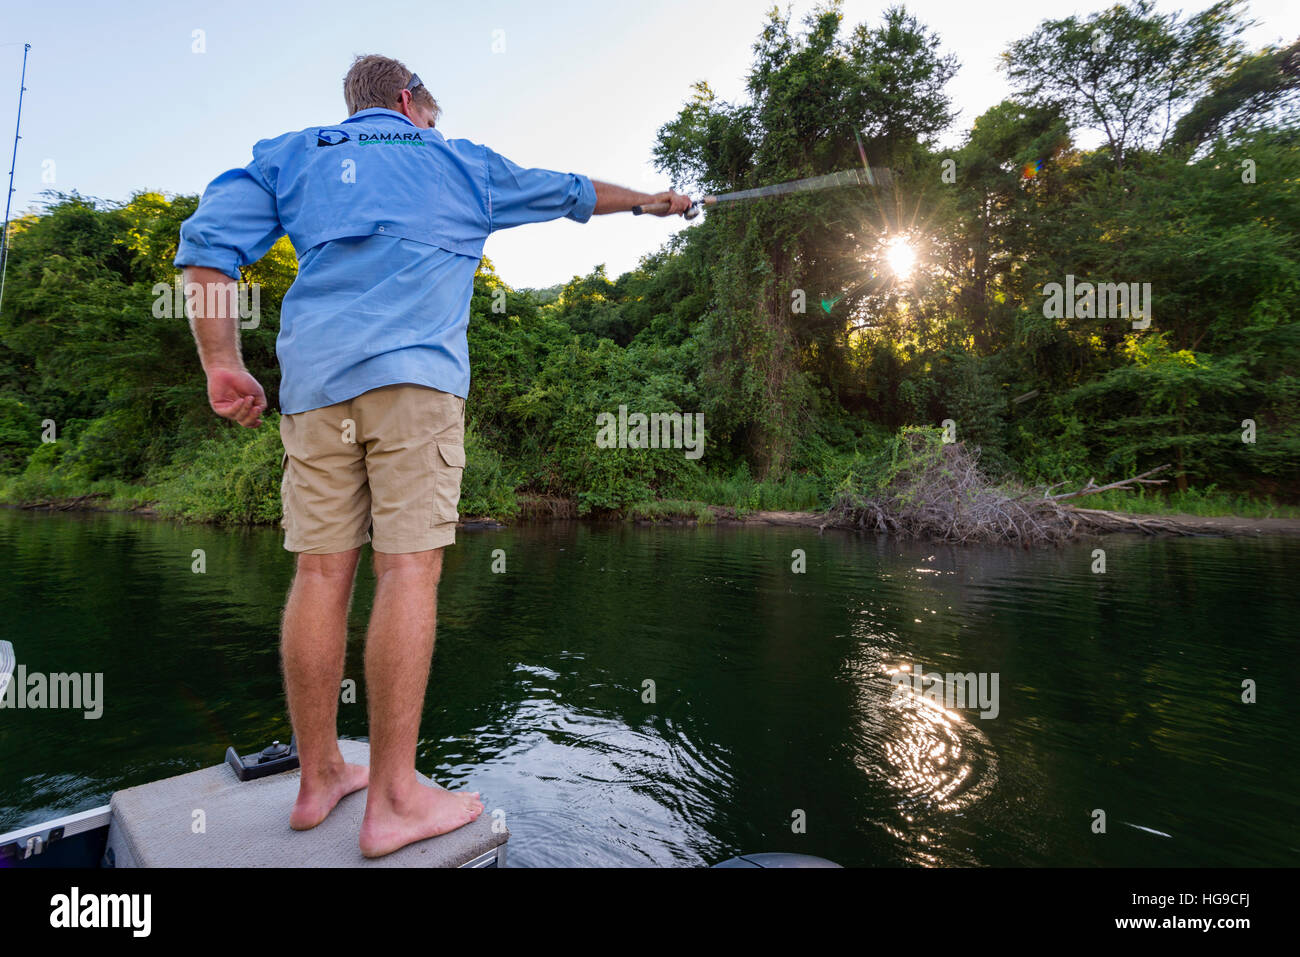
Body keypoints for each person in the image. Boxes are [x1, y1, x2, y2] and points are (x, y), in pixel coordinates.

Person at [175, 53, 693, 858]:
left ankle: (320, 779)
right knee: (407, 570)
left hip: (314, 387)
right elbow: (574, 192)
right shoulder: (460, 161)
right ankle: (394, 799)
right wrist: (654, 204)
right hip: (414, 385)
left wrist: (221, 361)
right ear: (412, 101)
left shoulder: (288, 154)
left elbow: (206, 248)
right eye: (431, 110)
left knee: (318, 573)